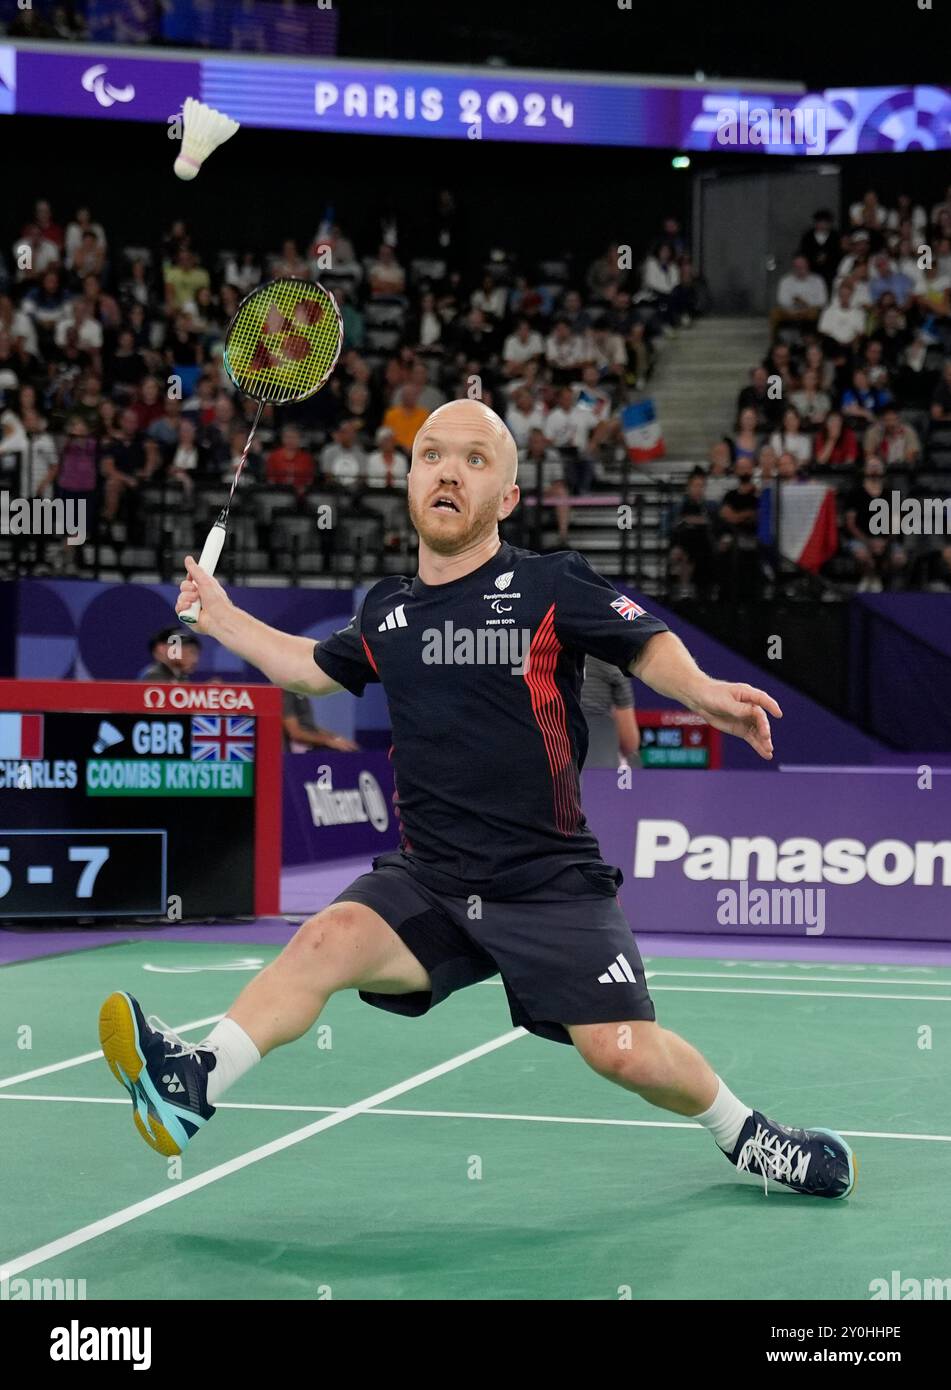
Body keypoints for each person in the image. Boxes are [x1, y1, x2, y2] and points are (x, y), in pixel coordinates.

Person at [100, 397, 854, 1203]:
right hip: (431, 879)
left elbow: (643, 640)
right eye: (431, 455)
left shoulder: (548, 583)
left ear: (507, 497)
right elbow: (309, 669)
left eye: (474, 458)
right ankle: (195, 1082)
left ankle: (745, 1136)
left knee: (623, 1051)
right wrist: (220, 617)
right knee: (326, 939)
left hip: (548, 885)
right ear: (411, 481)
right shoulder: (388, 609)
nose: (448, 471)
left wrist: (703, 693)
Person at [580, 655, 640, 768]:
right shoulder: (613, 663)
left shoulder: (544, 660)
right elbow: (629, 743)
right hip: (601, 764)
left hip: (554, 765)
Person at [281, 690, 359, 752]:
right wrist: (328, 741)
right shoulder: (287, 693)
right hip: (296, 751)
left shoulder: (301, 693)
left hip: (310, 745)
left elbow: (310, 727)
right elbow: (296, 733)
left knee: (350, 749)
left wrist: (335, 738)